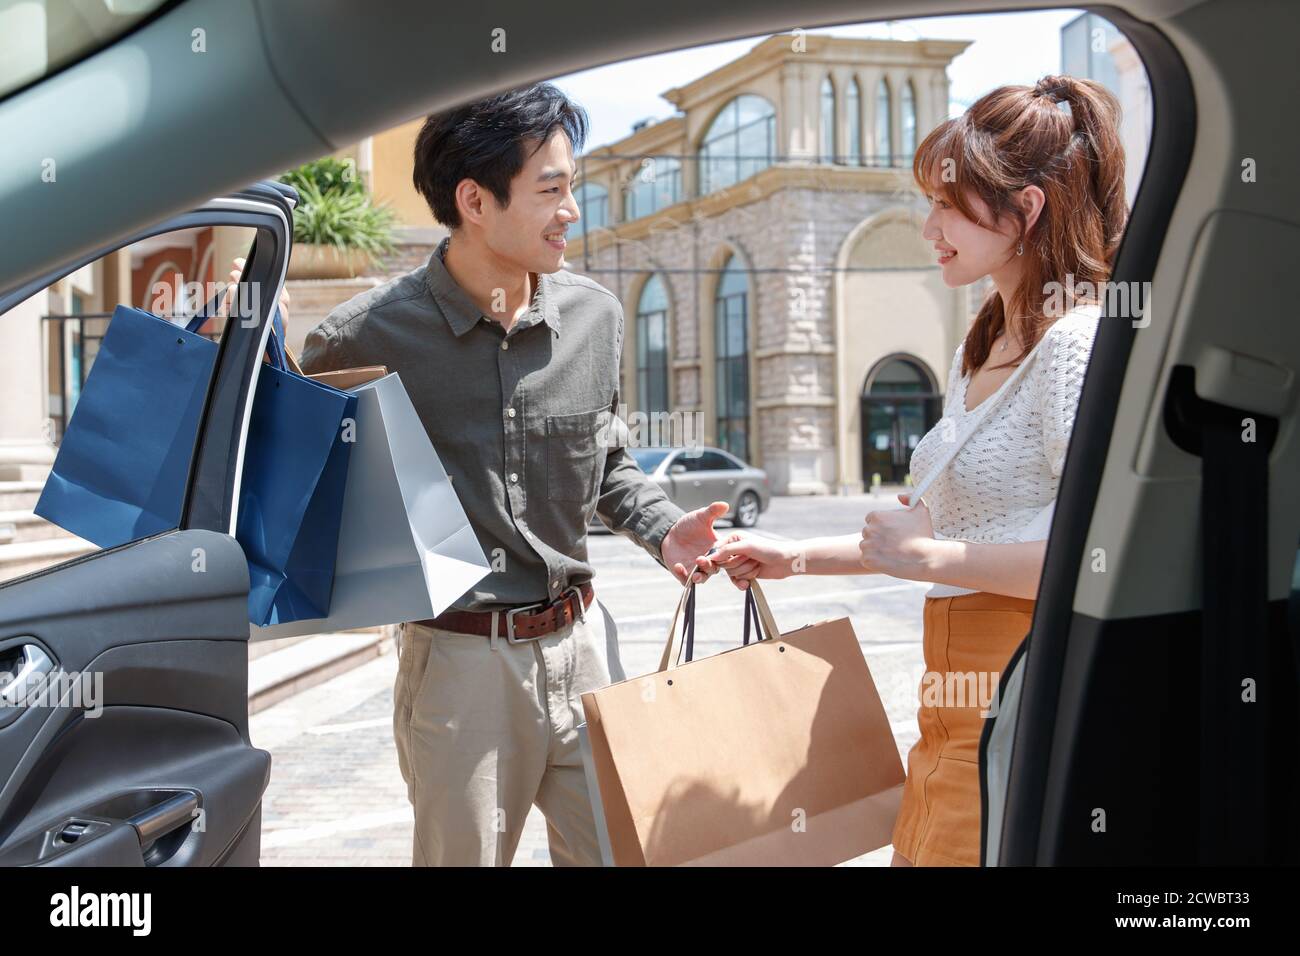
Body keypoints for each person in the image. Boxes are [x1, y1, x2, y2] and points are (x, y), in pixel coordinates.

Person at [695, 75, 1128, 866]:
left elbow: (1097, 560)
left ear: (1026, 209)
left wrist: (930, 559)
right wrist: (796, 557)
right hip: (953, 695)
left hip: (1021, 683)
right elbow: (944, 531)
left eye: (947, 205)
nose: (927, 226)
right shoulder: (986, 340)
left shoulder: (1075, 343)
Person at [296, 83, 727, 866]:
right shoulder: (358, 341)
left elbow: (607, 461)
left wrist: (667, 532)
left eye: (575, 187)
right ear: (474, 200)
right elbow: (311, 504)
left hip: (583, 648)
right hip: (462, 669)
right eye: (552, 190)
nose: (573, 211)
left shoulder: (595, 317)